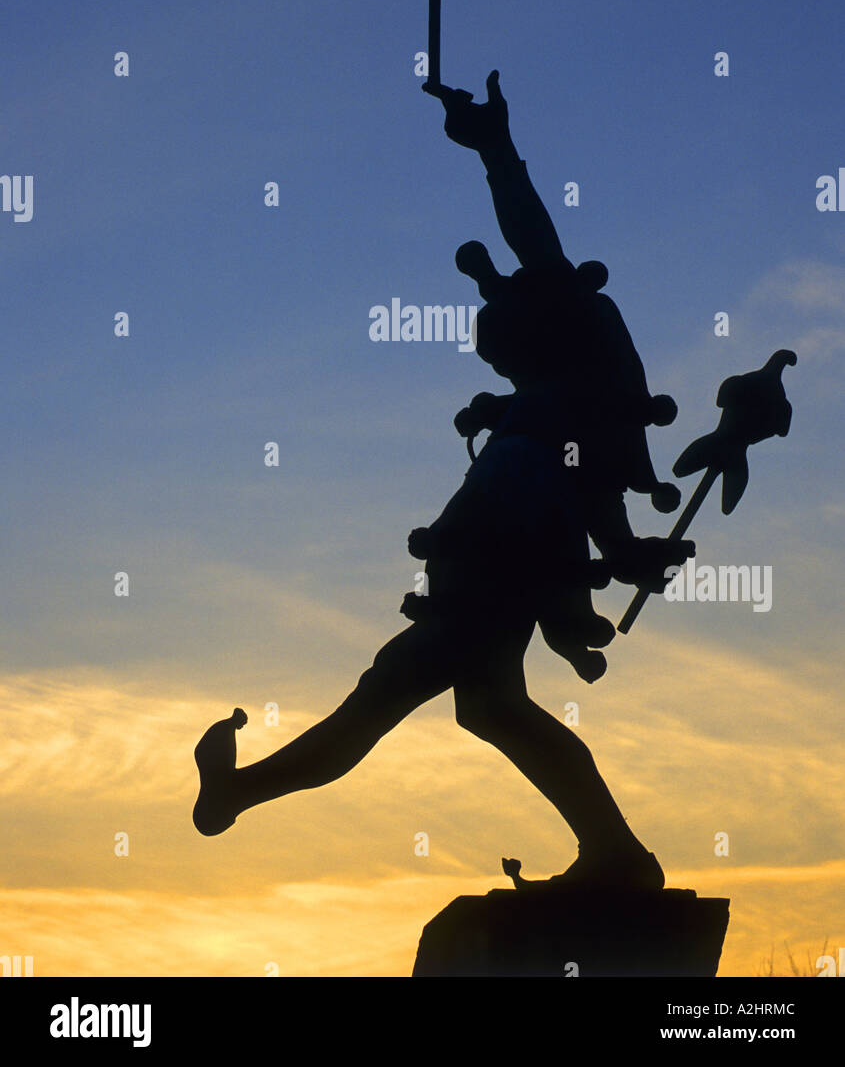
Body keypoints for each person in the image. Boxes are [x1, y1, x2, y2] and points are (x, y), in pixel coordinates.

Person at [192, 72, 689, 890]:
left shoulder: (568, 393)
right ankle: (617, 856)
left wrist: (496, 152)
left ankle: (239, 794)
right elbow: (590, 492)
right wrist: (618, 548)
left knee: (389, 695)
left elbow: (542, 256)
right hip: (492, 565)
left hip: (497, 570)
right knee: (487, 707)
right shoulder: (549, 408)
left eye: (496, 345)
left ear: (537, 334)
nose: (489, 358)